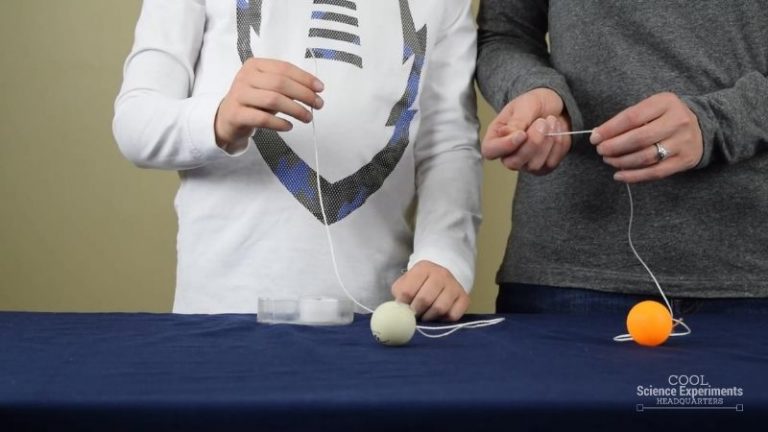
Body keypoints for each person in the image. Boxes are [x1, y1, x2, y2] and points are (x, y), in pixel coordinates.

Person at [113, 0, 481, 321]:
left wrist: (445, 254)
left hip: (375, 318)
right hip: (220, 314)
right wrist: (218, 118)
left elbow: (448, 144)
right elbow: (135, 122)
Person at [476, 0, 768, 314]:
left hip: (748, 276)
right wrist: (533, 89)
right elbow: (503, 37)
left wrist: (719, 122)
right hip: (566, 272)